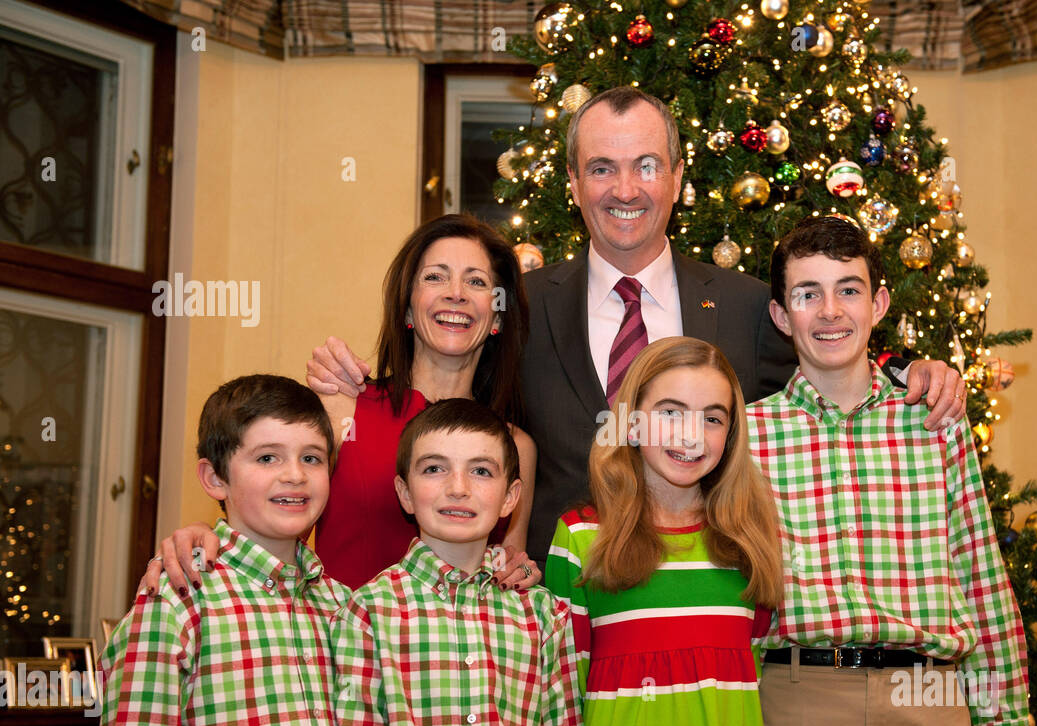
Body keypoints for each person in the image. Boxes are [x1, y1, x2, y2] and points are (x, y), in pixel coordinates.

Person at [305, 87, 969, 561]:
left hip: (706, 620)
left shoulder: (744, 304)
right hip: (553, 622)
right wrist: (355, 392)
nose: (625, 189)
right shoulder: (521, 307)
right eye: (601, 168)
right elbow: (445, 398)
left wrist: (909, 368)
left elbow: (828, 372)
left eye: (646, 166)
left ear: (678, 177)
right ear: (573, 182)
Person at [750, 215, 1031, 726]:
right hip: (799, 701)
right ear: (780, 313)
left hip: (927, 698)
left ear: (877, 304)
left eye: (848, 289)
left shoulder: (935, 421)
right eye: (807, 292)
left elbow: (981, 573)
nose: (829, 311)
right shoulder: (746, 434)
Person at [142, 214, 540, 595]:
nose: (456, 292)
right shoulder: (343, 407)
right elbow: (270, 520)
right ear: (406, 308)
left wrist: (519, 570)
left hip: (449, 658)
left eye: (476, 281)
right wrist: (204, 535)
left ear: (497, 318)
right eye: (435, 277)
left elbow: (507, 565)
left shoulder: (514, 444)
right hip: (338, 654)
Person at [546, 337, 785, 726]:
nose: (690, 435)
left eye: (713, 418)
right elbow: (562, 702)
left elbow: (753, 672)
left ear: (731, 433)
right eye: (670, 412)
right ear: (630, 424)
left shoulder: (750, 543)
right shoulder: (582, 539)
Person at [98, 375, 349, 726]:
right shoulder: (177, 602)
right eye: (267, 457)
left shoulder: (341, 608)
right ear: (215, 478)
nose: (295, 475)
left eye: (312, 458)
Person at [331, 399, 582, 726]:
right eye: (434, 469)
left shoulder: (544, 616)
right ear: (405, 494)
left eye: (482, 471)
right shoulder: (369, 612)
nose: (458, 488)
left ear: (511, 497)